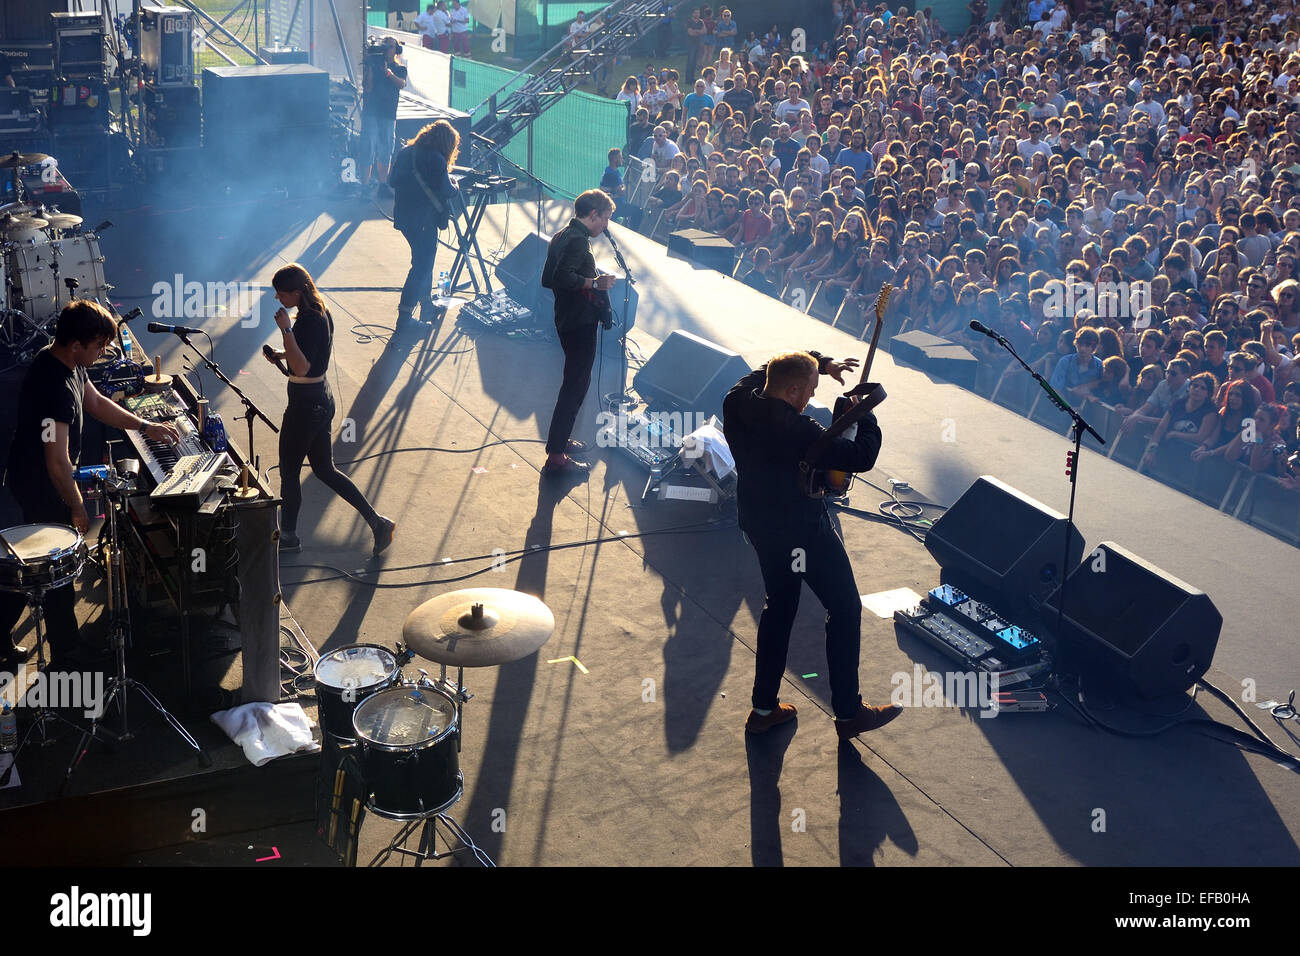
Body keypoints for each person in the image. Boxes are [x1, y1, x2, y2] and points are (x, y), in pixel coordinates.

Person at [722, 350, 902, 739]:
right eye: (810, 390)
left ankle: (764, 707)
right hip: (801, 531)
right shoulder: (798, 430)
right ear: (792, 390)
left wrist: (821, 363)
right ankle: (849, 712)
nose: (811, 397)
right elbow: (860, 456)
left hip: (757, 521)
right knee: (844, 606)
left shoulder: (737, 398)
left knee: (780, 605)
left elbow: (771, 364)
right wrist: (864, 413)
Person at [0, 302, 180, 670]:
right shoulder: (55, 388)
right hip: (41, 484)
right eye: (98, 345)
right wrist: (78, 506)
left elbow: (95, 402)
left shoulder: (68, 365)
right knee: (52, 567)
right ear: (75, 344)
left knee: (30, 567)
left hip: (43, 476)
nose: (102, 353)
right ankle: (66, 652)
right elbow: (57, 461)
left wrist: (144, 426)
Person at [264, 264, 395, 555]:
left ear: (296, 292)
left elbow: (302, 366)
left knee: (289, 470)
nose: (278, 299)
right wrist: (280, 353)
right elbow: (307, 352)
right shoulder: (320, 312)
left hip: (305, 405)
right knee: (324, 469)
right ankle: (377, 523)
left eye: (281, 294)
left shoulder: (305, 321)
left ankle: (288, 537)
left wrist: (285, 329)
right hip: (320, 400)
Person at [540, 189, 617, 477]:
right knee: (574, 388)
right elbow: (560, 278)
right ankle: (557, 456)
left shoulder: (562, 236)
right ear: (593, 214)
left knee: (573, 385)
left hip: (566, 319)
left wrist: (589, 281)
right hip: (579, 323)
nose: (606, 225)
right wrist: (595, 284)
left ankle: (559, 443)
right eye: (606, 218)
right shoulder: (577, 241)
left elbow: (547, 278)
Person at [388, 120, 460, 327]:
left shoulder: (406, 151)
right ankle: (405, 318)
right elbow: (447, 190)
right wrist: (455, 184)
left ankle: (426, 305)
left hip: (404, 218)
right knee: (421, 266)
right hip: (423, 221)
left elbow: (392, 181)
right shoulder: (436, 159)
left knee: (422, 260)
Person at [361, 37, 407, 195]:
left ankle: (382, 185)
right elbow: (367, 88)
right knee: (368, 147)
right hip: (371, 113)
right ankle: (365, 186)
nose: (387, 49)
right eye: (385, 47)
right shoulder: (373, 64)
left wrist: (388, 72)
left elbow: (401, 84)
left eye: (391, 47)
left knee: (386, 149)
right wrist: (370, 67)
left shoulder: (400, 69)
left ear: (396, 50)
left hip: (388, 114)